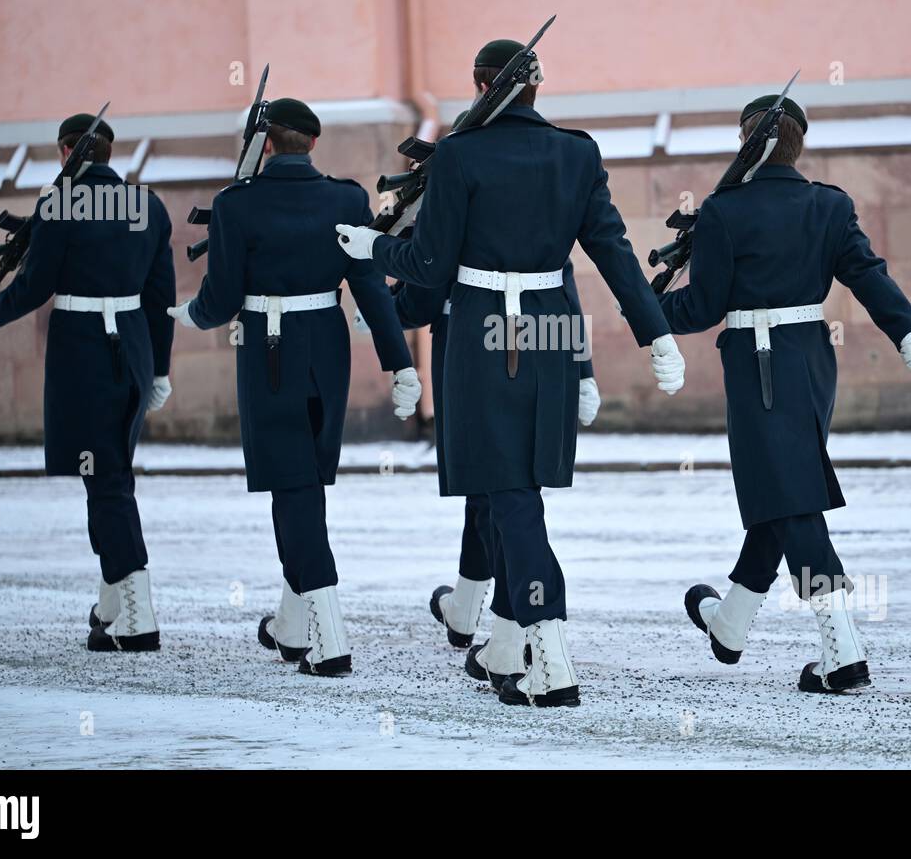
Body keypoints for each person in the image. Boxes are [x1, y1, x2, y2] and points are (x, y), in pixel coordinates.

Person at [337, 38, 684, 708]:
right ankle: (503, 645)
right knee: (511, 492)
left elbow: (431, 266)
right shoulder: (576, 153)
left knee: (513, 497)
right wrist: (656, 333)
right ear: (536, 87)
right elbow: (610, 253)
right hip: (549, 330)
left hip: (481, 336)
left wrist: (372, 248)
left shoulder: (461, 156)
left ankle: (550, 658)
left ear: (479, 86)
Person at [661, 95, 911, 693]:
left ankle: (842, 649)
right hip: (811, 361)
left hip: (760, 366)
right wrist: (905, 325)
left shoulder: (724, 211)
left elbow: (702, 305)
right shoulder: (828, 205)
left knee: (791, 493)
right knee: (783, 487)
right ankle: (730, 623)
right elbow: (867, 273)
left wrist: (650, 308)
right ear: (797, 146)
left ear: (744, 145)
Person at [168, 98, 420, 677]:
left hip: (269, 350)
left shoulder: (238, 204)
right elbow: (370, 287)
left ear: (267, 142)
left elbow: (223, 296)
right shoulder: (346, 198)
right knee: (304, 483)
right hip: (326, 348)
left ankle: (330, 637)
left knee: (293, 485)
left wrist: (192, 315)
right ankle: (291, 624)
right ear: (311, 142)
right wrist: (399, 365)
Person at [0, 112, 175, 652]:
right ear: (108, 153)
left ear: (65, 153)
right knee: (111, 473)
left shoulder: (59, 205)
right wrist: (162, 367)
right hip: (136, 351)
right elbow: (160, 295)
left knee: (104, 481)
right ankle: (111, 604)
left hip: (86, 355)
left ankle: (138, 615)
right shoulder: (148, 205)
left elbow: (34, 287)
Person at [395, 260, 599, 673]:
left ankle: (505, 627)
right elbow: (563, 278)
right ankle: (468, 609)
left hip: (470, 336)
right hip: (535, 331)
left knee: (497, 487)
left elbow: (424, 292)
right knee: (490, 487)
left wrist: (384, 296)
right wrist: (583, 367)